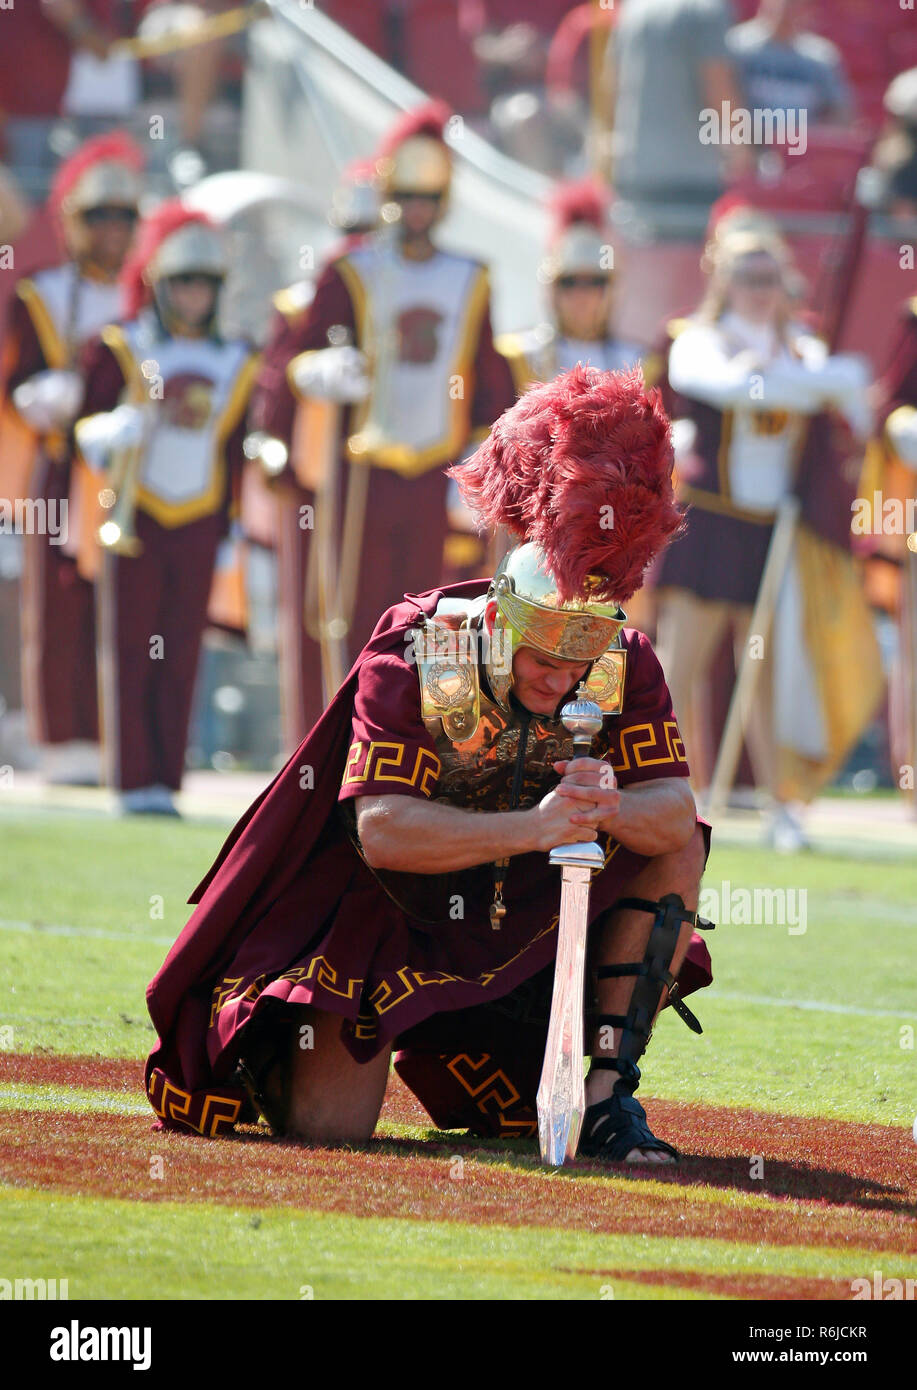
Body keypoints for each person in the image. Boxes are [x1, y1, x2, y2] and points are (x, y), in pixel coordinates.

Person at [145, 365, 714, 1165]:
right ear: (498, 620)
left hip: (518, 913)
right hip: (385, 911)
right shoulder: (417, 645)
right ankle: (279, 1046)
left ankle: (606, 1094)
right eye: (539, 653)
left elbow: (673, 819)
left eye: (577, 656)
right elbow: (382, 832)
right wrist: (539, 824)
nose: (558, 676)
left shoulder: (626, 659)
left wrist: (603, 808)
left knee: (675, 845)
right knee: (328, 1131)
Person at [247, 100, 515, 741]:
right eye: (407, 195)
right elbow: (295, 360)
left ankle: (418, 746)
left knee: (432, 620)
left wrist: (480, 469)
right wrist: (320, 372)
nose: (417, 209)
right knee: (348, 612)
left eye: (429, 196)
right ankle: (339, 744)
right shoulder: (350, 271)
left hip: (433, 472)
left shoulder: (468, 277)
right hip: (357, 470)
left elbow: (489, 384)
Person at [650, 208, 881, 847]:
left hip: (770, 532)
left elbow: (857, 395)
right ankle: (658, 788)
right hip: (711, 522)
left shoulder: (804, 350)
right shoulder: (700, 338)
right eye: (747, 274)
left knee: (764, 671)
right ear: (723, 279)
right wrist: (809, 385)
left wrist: (807, 379)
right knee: (680, 665)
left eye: (770, 274)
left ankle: (784, 809)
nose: (760, 287)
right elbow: (724, 385)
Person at [74, 201, 259, 815]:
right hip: (137, 519)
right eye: (183, 280)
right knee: (131, 647)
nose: (194, 294)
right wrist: (106, 431)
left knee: (180, 653)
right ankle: (130, 782)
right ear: (159, 283)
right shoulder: (121, 345)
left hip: (200, 521)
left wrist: (231, 526)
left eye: (205, 282)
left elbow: (233, 450)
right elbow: (81, 428)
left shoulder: (237, 359)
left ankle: (166, 781)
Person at [1, 131, 143, 785]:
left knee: (131, 601)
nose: (112, 230)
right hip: (62, 468)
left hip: (134, 471)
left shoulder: (149, 294)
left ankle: (129, 735)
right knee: (58, 602)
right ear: (71, 223)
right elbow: (17, 376)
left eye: (124, 216)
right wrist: (38, 392)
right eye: (98, 216)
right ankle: (63, 737)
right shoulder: (43, 292)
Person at [497, 180, 642, 390]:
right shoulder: (517, 359)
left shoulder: (640, 366)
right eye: (569, 282)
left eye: (594, 283)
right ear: (553, 289)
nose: (581, 295)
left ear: (611, 290)